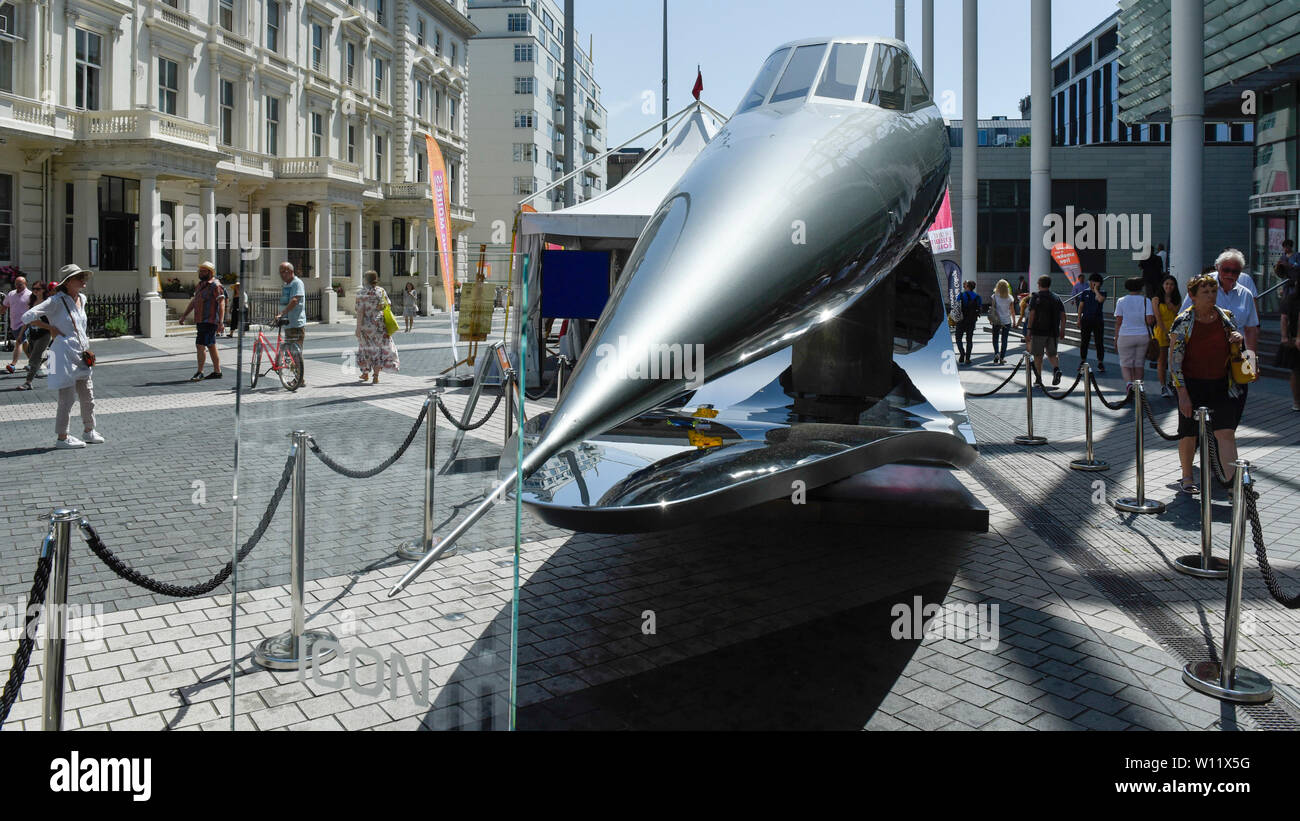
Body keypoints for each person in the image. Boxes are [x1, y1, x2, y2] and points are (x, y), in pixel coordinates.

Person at [1171, 274, 1249, 492]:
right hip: (1192, 385)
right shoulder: (1184, 321)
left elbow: (1237, 347)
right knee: (1189, 432)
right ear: (1192, 296)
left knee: (1225, 432)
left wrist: (1238, 339)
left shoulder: (1226, 317)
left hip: (1220, 384)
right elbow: (1174, 362)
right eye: (1205, 292)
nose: (1211, 296)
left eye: (1213, 291)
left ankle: (1232, 484)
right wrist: (1182, 394)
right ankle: (1187, 477)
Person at [21, 265, 104, 448]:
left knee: (88, 395)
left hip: (81, 352)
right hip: (63, 353)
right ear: (67, 282)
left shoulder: (82, 298)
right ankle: (62, 437)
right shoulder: (56, 301)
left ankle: (89, 430)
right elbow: (27, 316)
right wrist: (50, 327)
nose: (83, 280)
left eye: (83, 276)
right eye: (78, 277)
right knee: (67, 397)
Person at [1179, 249, 1260, 358]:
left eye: (1235, 271)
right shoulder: (1201, 286)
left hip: (1234, 357)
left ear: (1240, 272)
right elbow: (1183, 319)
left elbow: (1251, 330)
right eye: (1226, 270)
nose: (1230, 274)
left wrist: (1252, 361)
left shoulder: (1246, 295)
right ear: (1217, 267)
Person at [179, 261, 226, 381]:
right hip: (200, 320)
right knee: (211, 345)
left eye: (204, 271)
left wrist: (221, 322)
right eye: (200, 271)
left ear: (210, 272)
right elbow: (194, 302)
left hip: (209, 321)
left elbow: (221, 304)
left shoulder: (216, 285)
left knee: (200, 345)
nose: (201, 273)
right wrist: (184, 315)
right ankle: (217, 371)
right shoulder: (200, 285)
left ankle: (200, 372)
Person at [355, 271, 400, 384]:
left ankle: (365, 373)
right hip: (379, 326)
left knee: (365, 349)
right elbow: (387, 305)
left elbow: (360, 312)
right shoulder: (381, 291)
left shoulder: (361, 293)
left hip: (366, 327)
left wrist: (358, 328)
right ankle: (375, 376)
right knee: (378, 350)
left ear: (365, 279)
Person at [1112, 276, 1155, 389]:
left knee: (1125, 364)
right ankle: (1139, 387)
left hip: (1125, 335)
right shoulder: (1146, 300)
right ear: (1141, 287)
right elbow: (1150, 320)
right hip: (1142, 335)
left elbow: (1118, 322)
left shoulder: (1121, 301)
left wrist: (1116, 338)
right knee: (1139, 364)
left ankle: (1129, 385)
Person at [1025, 275, 1066, 385]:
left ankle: (1039, 378)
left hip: (1038, 331)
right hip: (1053, 331)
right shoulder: (1056, 297)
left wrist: (1029, 330)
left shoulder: (1036, 297)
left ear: (1039, 284)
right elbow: (1063, 315)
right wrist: (1062, 329)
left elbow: (1032, 314)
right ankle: (1056, 369)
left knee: (1038, 355)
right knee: (1052, 354)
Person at [274, 262, 308, 387]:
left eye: (283, 271)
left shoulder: (296, 283)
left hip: (296, 323)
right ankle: (299, 378)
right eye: (280, 272)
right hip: (288, 324)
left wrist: (282, 313)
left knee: (296, 353)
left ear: (290, 271)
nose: (282, 274)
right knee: (292, 354)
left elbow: (294, 300)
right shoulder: (286, 285)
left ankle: (299, 379)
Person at [15, 282, 51, 390]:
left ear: (44, 290)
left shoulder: (48, 303)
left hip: (45, 333)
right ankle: (46, 356)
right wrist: (21, 334)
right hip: (33, 334)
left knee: (34, 359)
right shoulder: (32, 302)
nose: (35, 291)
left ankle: (28, 382)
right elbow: (27, 320)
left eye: (38, 289)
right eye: (34, 289)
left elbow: (53, 320)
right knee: (33, 355)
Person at [1151, 274, 1181, 397]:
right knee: (1162, 360)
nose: (1169, 286)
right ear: (1162, 285)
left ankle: (1172, 383)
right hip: (1161, 331)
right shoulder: (1156, 299)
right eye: (1167, 284)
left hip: (1175, 330)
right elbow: (1157, 317)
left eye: (1172, 284)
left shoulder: (1177, 298)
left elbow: (1177, 313)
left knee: (1174, 360)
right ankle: (1163, 386)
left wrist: (1169, 303)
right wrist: (1166, 333)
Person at [1076, 273, 1107, 374]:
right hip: (1086, 320)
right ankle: (1083, 360)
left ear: (1098, 283)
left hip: (1098, 320)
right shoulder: (1085, 292)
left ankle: (1100, 362)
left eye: (1093, 281)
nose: (1090, 283)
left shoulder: (1102, 292)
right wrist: (1079, 318)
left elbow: (1100, 300)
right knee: (1084, 341)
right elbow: (1081, 306)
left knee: (1099, 342)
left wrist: (1096, 290)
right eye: (1090, 281)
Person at [1278, 280, 1300, 411]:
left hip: (1293, 339)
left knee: (1296, 371)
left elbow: (1283, 318)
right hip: (1296, 339)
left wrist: (1284, 337)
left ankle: (1297, 402)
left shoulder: (1290, 299)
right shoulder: (1291, 299)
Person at [4, 275, 31, 374]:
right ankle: (33, 362)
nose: (18, 285)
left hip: (25, 324)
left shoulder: (30, 295)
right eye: (16, 284)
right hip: (14, 323)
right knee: (24, 344)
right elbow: (4, 306)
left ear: (25, 284)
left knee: (19, 342)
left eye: (20, 284)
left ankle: (13, 365)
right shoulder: (11, 294)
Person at [954, 280, 982, 365]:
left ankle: (962, 353)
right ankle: (968, 358)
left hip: (961, 320)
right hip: (971, 321)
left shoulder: (961, 295)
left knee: (958, 338)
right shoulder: (978, 297)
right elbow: (980, 308)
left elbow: (956, 306)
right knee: (969, 339)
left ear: (968, 286)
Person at [989, 279, 1016, 365]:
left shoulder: (994, 296)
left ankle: (996, 353)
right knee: (1004, 339)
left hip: (997, 320)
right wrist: (1014, 321)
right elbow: (1012, 311)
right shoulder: (1010, 297)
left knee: (995, 338)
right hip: (1007, 320)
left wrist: (991, 319)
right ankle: (1002, 357)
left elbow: (993, 308)